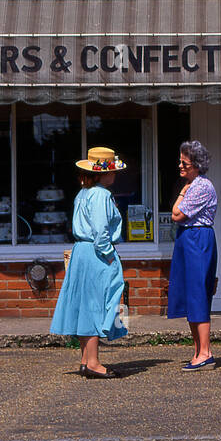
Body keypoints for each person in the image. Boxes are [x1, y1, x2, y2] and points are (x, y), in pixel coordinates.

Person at [49, 146, 128, 378]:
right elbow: (101, 231)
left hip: (81, 252)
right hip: (96, 253)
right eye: (111, 170)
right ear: (102, 173)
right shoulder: (101, 194)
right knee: (98, 303)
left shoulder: (83, 193)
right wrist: (110, 256)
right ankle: (93, 362)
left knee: (85, 304)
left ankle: (86, 358)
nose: (115, 174)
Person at [167, 139, 218, 371]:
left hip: (198, 239)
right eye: (180, 162)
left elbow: (177, 215)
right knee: (189, 294)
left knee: (197, 293)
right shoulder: (193, 185)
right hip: (188, 240)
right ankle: (198, 350)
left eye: (184, 163)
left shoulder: (201, 186)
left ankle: (205, 352)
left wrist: (181, 192)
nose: (180, 166)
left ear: (196, 164)